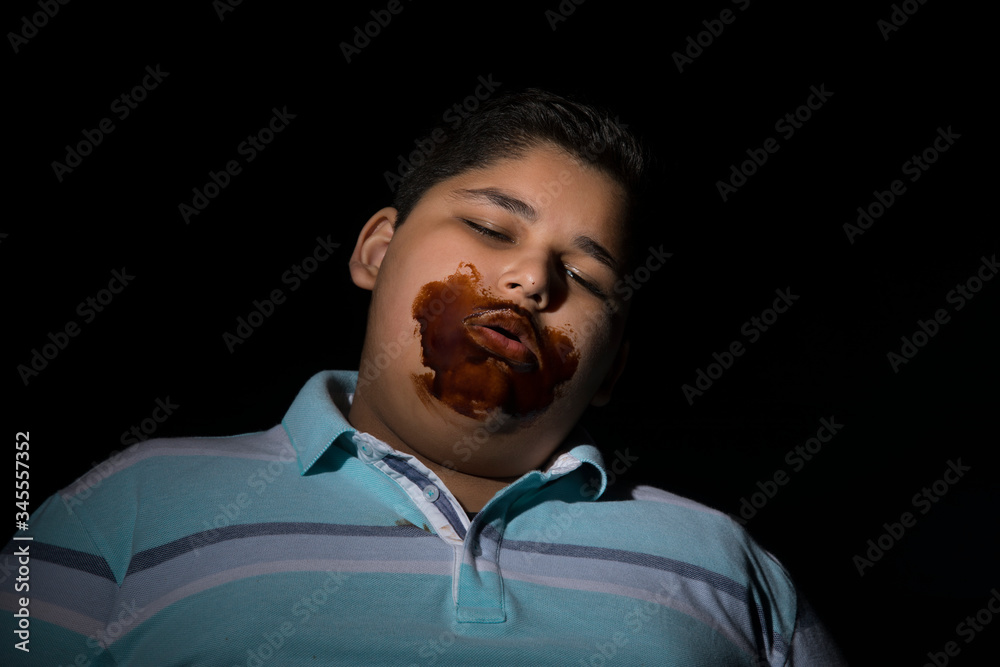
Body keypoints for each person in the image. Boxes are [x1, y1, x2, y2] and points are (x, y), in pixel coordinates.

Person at [2, 89, 846, 665]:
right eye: (489, 226)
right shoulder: (127, 503)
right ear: (376, 249)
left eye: (585, 279)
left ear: (613, 365)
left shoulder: (726, 564)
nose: (529, 282)